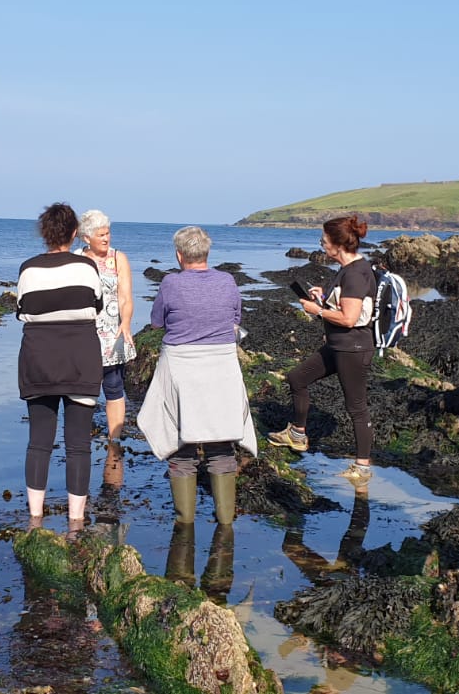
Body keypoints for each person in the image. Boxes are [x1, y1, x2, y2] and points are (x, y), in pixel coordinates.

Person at [138, 225, 256, 526]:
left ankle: (184, 528)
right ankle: (225, 530)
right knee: (221, 446)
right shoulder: (227, 280)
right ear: (207, 253)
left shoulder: (170, 283)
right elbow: (236, 318)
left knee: (181, 447)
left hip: (181, 367)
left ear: (179, 255)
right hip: (222, 367)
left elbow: (156, 323)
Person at [267, 215, 379, 489]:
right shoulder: (347, 269)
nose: (322, 245)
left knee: (356, 407)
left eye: (323, 240)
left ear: (338, 244)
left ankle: (362, 467)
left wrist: (317, 310)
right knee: (297, 378)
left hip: (353, 348)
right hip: (337, 346)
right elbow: (343, 304)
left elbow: (349, 318)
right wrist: (324, 297)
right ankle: (297, 434)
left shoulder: (355, 273)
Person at [16, 203, 103, 530]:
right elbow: (97, 306)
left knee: (39, 442)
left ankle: (35, 518)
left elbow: (22, 311)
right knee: (79, 444)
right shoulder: (87, 267)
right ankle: (76, 521)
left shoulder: (28, 269)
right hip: (81, 357)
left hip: (38, 357)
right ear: (74, 233)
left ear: (44, 233)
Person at [75, 210, 136, 442]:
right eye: (100, 235)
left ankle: (114, 440)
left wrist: (126, 322)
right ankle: (80, 439)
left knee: (114, 386)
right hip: (83, 334)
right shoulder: (77, 259)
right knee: (82, 389)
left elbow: (126, 297)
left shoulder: (118, 258)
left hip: (113, 333)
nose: (106, 238)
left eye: (108, 233)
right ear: (86, 237)